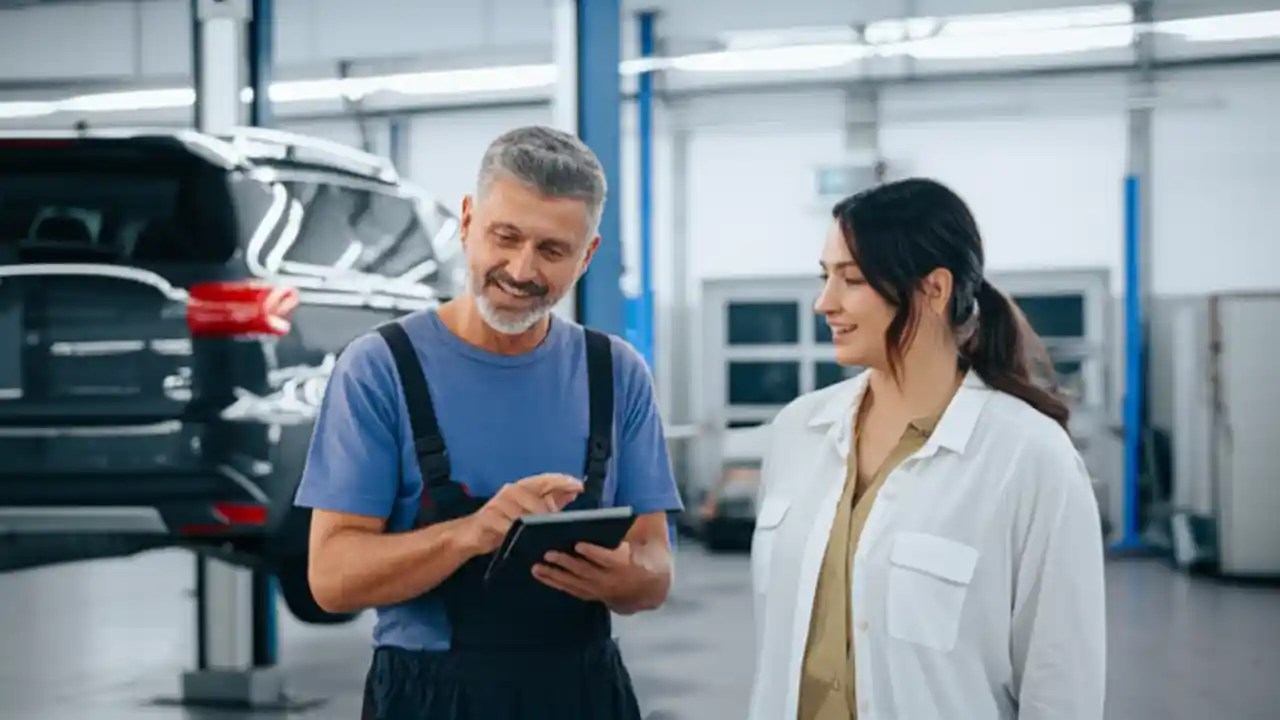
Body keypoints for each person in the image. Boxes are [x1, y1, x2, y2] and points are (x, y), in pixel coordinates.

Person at [294, 125, 683, 720]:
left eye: (552, 250)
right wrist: (472, 534)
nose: (521, 269)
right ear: (468, 221)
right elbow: (331, 580)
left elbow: (655, 568)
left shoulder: (616, 373)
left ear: (587, 256)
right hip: (430, 698)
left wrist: (621, 579)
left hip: (583, 691)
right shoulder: (380, 369)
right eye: (506, 237)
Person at [747, 178, 1106, 720]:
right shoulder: (798, 431)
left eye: (852, 279)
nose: (825, 303)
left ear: (934, 289)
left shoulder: (1029, 457)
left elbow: (1062, 686)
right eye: (826, 277)